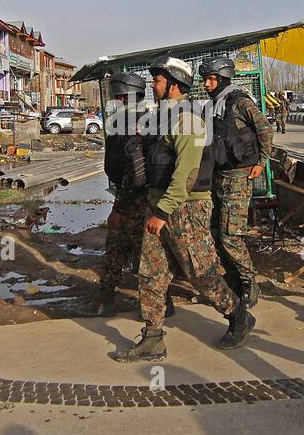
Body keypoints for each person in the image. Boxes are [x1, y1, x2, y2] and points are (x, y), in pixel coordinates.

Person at [113, 55, 254, 361]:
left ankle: (237, 314)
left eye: (159, 80)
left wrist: (162, 213)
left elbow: (187, 174)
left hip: (185, 208)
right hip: (159, 205)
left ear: (175, 85)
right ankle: (153, 337)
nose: (153, 85)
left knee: (199, 272)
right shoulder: (162, 117)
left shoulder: (188, 120)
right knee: (150, 272)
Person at [200, 57, 272, 307]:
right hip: (219, 176)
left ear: (223, 79)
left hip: (239, 176)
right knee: (219, 233)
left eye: (211, 79)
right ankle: (233, 279)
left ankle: (249, 281)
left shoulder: (239, 101)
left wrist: (261, 162)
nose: (207, 84)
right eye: (205, 80)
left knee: (232, 235)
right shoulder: (210, 106)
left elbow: (265, 129)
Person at [91, 71, 151, 315]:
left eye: (119, 96)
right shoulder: (125, 120)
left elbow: (135, 172)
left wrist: (119, 207)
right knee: (124, 250)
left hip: (136, 199)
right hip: (129, 196)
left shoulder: (137, 123)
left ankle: (156, 305)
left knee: (139, 253)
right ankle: (107, 297)